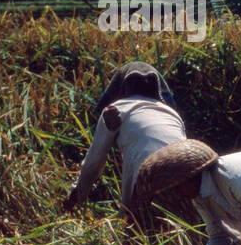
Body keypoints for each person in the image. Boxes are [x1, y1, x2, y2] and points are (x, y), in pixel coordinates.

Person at [64, 63, 186, 219]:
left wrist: (76, 196)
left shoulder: (116, 109)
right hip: (187, 171)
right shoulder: (171, 113)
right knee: (186, 231)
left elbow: (94, 164)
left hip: (152, 173)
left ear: (123, 88)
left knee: (137, 235)